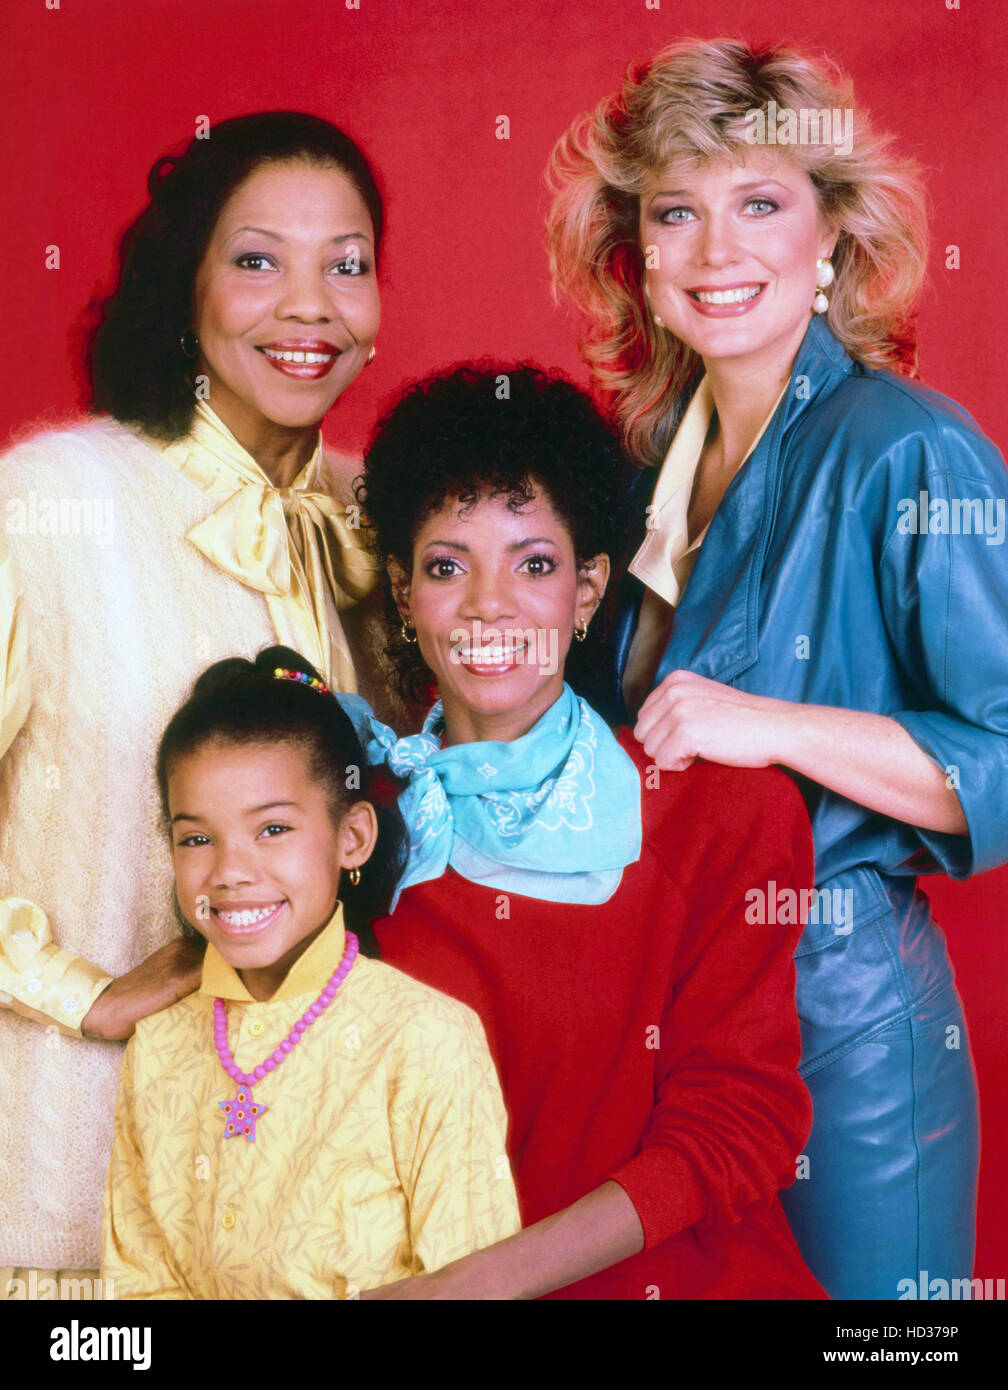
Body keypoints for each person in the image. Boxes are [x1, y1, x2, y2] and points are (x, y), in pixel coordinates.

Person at [545, 38, 1008, 1298]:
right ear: (636, 254)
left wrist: (777, 725)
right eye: (676, 213)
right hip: (670, 1026)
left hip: (842, 1024)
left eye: (761, 204)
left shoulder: (907, 449)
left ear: (834, 240)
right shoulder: (641, 473)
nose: (714, 250)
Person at [0, 111, 388, 1292]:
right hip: (67, 1204)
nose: (311, 305)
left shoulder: (370, 529)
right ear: (188, 285)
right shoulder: (52, 502)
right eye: (260, 259)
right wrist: (84, 991)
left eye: (350, 264)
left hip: (297, 1223)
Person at [343, 363, 825, 1299]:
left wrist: (474, 1287)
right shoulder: (352, 829)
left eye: (534, 563)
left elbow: (738, 1125)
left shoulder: (721, 817)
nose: (491, 605)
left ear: (590, 588)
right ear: (401, 593)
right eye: (448, 565)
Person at [101, 647, 520, 1298]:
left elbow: (478, 1286)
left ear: (351, 838)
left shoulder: (425, 1040)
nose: (230, 871)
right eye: (195, 838)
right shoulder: (156, 1049)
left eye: (272, 828)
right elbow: (140, 1291)